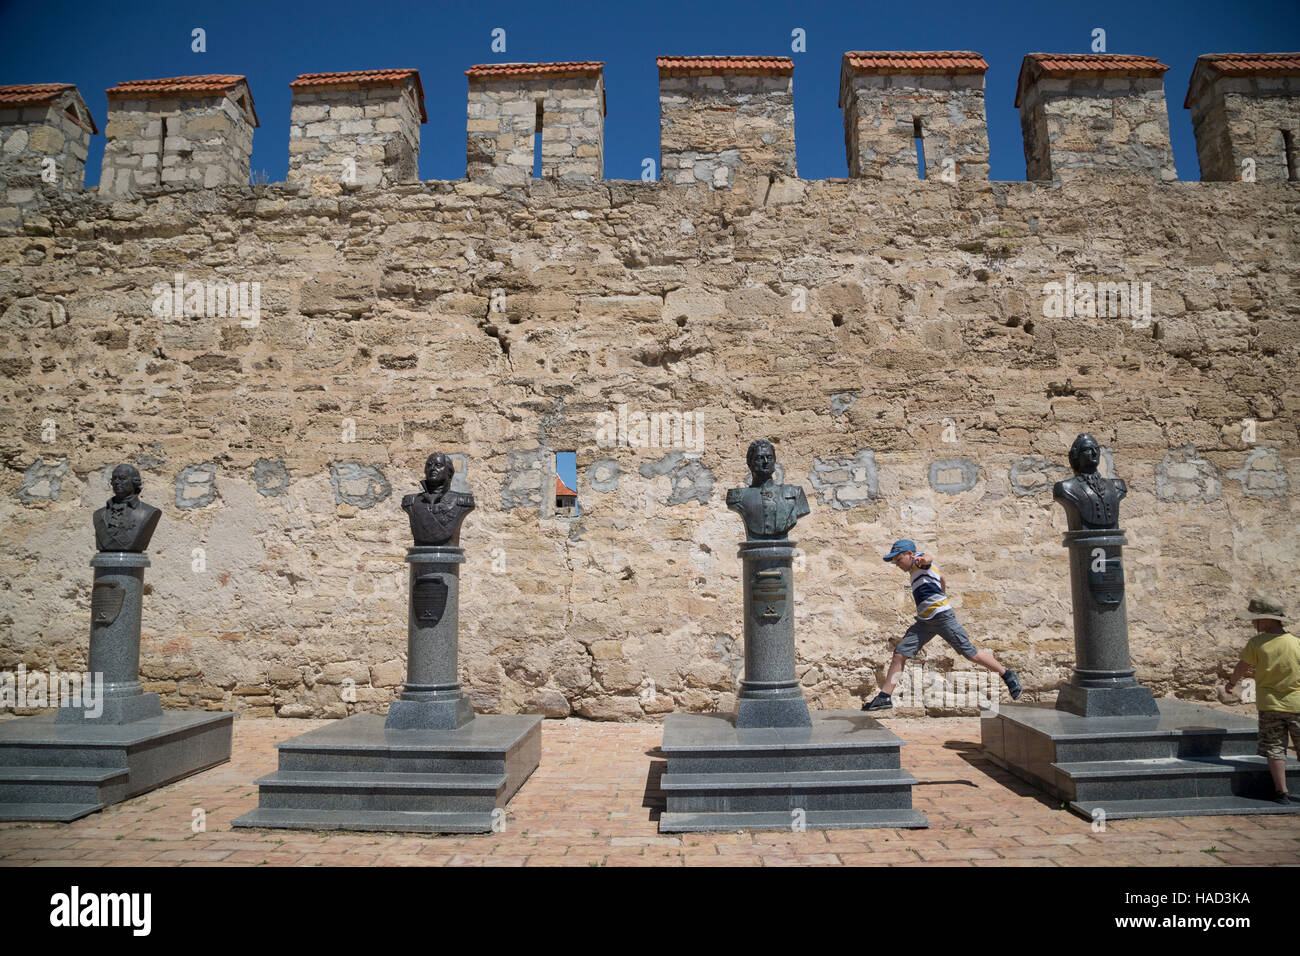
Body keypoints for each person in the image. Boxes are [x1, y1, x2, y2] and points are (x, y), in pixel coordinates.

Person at [863, 539, 1022, 711]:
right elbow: (942, 577)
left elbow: (928, 558)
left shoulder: (919, 563)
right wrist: (943, 592)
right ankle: (884, 697)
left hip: (942, 618)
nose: (896, 564)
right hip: (924, 621)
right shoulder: (915, 571)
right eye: (894, 561)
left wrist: (925, 560)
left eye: (898, 559)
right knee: (900, 654)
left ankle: (1007, 675)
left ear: (910, 554)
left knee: (970, 653)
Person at [1225, 596, 1299, 805]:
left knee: (1275, 747)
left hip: (1269, 705)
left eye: (1254, 619)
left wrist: (1232, 682)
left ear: (1264, 620)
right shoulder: (1296, 643)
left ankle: (1281, 792)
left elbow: (1242, 666)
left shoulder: (1257, 643)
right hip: (1297, 703)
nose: (1252, 623)